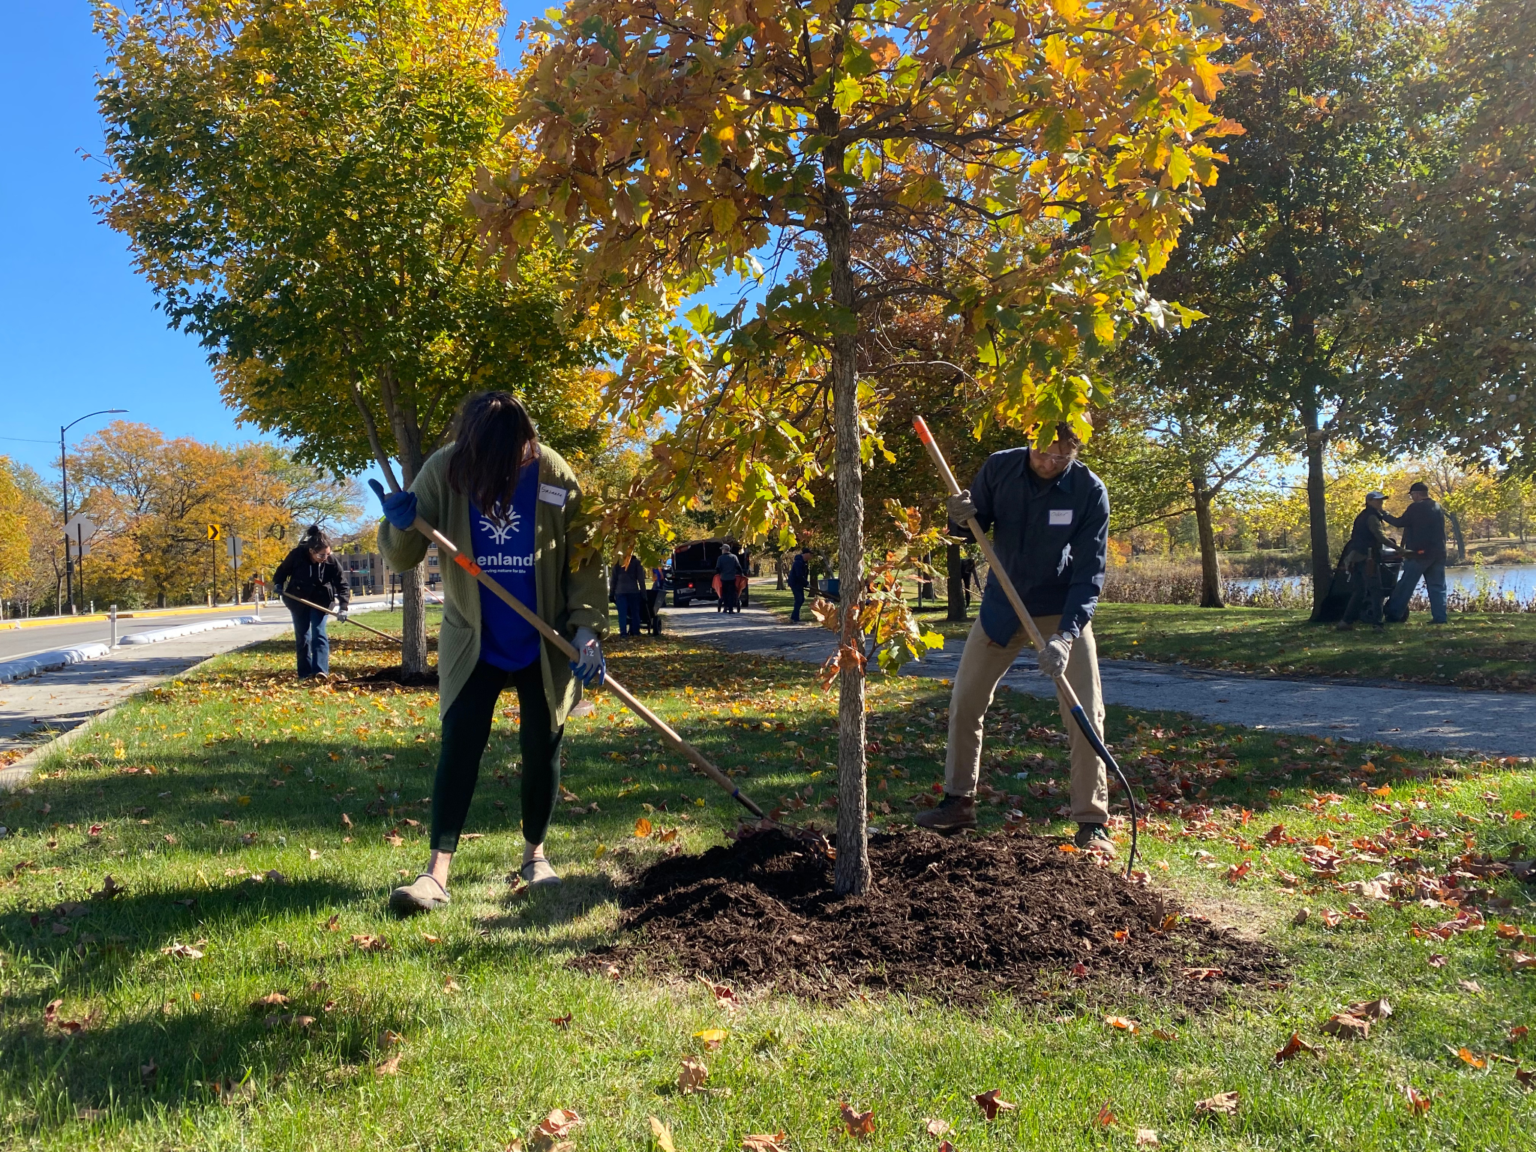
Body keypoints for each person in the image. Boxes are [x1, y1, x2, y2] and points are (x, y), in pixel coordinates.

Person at [371, 390, 608, 915]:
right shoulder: (446, 469)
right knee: (460, 745)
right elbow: (405, 555)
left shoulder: (553, 472)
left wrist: (587, 628)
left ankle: (535, 857)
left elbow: (586, 556)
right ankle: (435, 873)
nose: (517, 463)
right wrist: (398, 522)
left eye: (523, 451)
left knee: (542, 745)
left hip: (544, 640)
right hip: (472, 638)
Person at [916, 421, 1115, 853]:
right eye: (1042, 452)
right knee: (966, 700)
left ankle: (1091, 821)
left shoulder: (1088, 490)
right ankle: (958, 802)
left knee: (1086, 712)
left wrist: (1066, 636)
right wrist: (958, 517)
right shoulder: (1000, 469)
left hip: (1060, 611)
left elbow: (1090, 572)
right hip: (1003, 607)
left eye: (1061, 456)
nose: (1049, 462)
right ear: (1030, 441)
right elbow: (972, 526)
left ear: (1075, 452)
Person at [271, 525, 350, 680]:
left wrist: (343, 607)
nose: (325, 558)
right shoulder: (297, 555)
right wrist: (278, 585)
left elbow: (342, 584)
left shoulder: (331, 561)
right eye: (321, 555)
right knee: (303, 636)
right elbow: (282, 571)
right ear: (311, 551)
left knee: (319, 632)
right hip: (298, 599)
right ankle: (305, 673)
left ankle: (321, 671)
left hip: (321, 600)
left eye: (327, 554)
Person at [1384, 481, 1448, 624]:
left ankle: (1394, 615)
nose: (1412, 498)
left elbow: (1400, 522)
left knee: (1406, 585)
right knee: (1437, 587)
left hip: (1418, 554)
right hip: (1438, 553)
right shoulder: (1437, 507)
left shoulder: (1416, 507)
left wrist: (1384, 514)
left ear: (1417, 494)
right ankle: (1440, 618)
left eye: (1412, 495)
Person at [1337, 490, 1397, 632]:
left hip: (1356, 557)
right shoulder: (1371, 517)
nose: (1380, 502)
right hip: (1368, 558)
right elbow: (1380, 537)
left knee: (1360, 591)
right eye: (1377, 500)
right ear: (1369, 501)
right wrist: (1398, 549)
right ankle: (1377, 624)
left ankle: (1345, 622)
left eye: (1381, 500)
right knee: (1376, 591)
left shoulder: (1363, 516)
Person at [611, 554, 645, 637]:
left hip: (620, 591)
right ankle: (636, 632)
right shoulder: (636, 563)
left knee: (622, 613)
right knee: (635, 612)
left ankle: (623, 633)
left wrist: (611, 593)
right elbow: (641, 579)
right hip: (633, 591)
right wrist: (644, 594)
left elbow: (613, 580)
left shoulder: (618, 563)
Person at [715, 543, 743, 613]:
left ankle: (725, 608)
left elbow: (717, 568)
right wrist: (741, 573)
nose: (721, 551)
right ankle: (730, 609)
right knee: (731, 593)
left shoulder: (720, 558)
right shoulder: (734, 557)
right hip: (732, 578)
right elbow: (738, 567)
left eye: (722, 549)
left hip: (723, 578)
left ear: (725, 550)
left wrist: (719, 573)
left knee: (724, 593)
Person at [788, 547, 812, 622]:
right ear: (806, 554)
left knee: (801, 599)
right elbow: (799, 575)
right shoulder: (798, 562)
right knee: (799, 599)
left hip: (799, 583)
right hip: (795, 583)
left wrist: (805, 583)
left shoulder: (804, 562)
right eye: (810, 555)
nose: (811, 557)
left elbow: (804, 575)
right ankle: (795, 618)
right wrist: (806, 583)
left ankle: (794, 617)